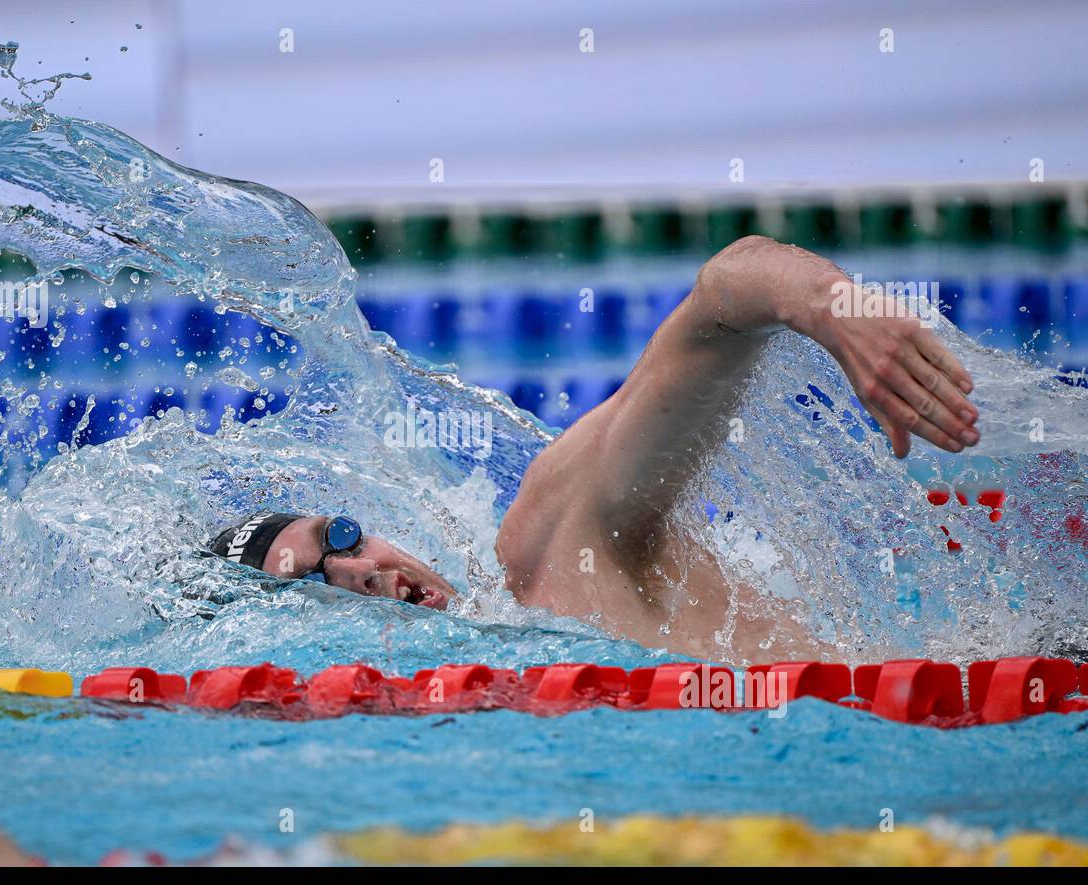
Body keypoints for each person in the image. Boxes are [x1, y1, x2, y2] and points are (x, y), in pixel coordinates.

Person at [208, 236, 980, 660]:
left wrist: (830, 305)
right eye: (316, 584)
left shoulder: (553, 546)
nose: (359, 570)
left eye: (337, 538)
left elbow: (721, 296)